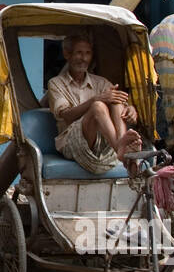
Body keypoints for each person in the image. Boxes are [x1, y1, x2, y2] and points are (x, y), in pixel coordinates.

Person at [43, 33, 143, 174]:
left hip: (102, 143)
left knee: (114, 99)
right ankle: (120, 148)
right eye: (79, 53)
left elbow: (121, 104)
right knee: (98, 105)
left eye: (88, 53)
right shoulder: (56, 83)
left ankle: (120, 144)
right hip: (73, 143)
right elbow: (67, 116)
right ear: (67, 54)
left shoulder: (100, 82)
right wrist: (96, 99)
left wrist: (131, 109)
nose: (83, 58)